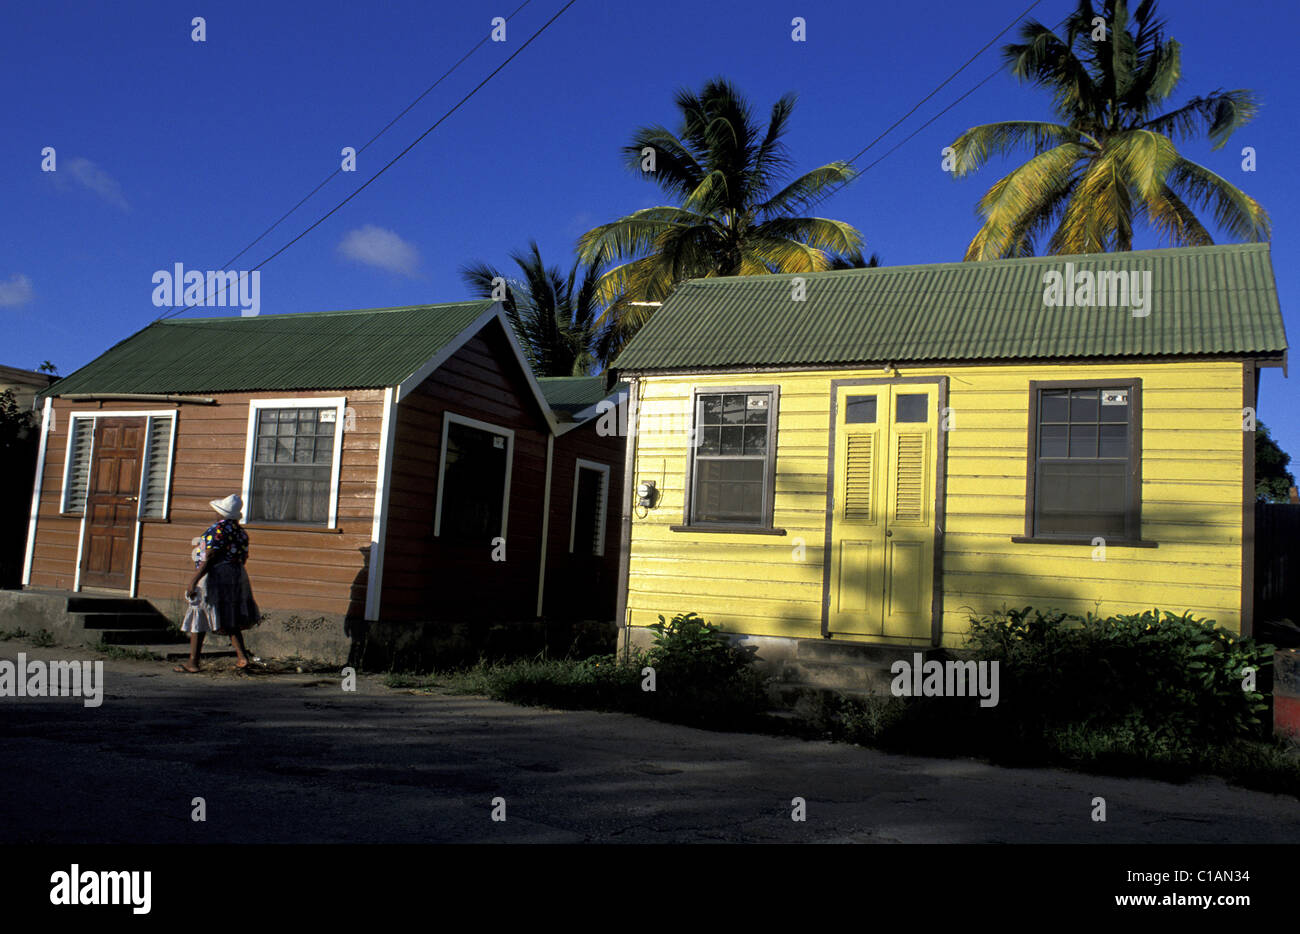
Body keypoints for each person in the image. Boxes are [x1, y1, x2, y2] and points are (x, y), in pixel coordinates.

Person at [174, 494, 259, 672]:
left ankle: (193, 662)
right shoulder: (240, 532)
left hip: (215, 573)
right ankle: (242, 658)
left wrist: (194, 580)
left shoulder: (217, 530)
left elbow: (210, 556)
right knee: (230, 614)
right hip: (236, 574)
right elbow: (243, 556)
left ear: (220, 513)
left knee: (199, 609)